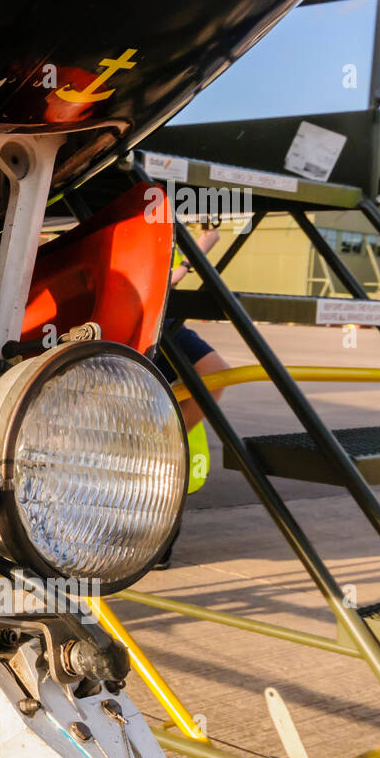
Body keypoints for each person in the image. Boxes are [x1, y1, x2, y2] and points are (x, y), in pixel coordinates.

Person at [152, 225, 230, 568]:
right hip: (151, 317)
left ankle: (158, 541)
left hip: (162, 321)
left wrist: (201, 245)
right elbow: (158, 281)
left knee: (215, 374)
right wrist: (201, 248)